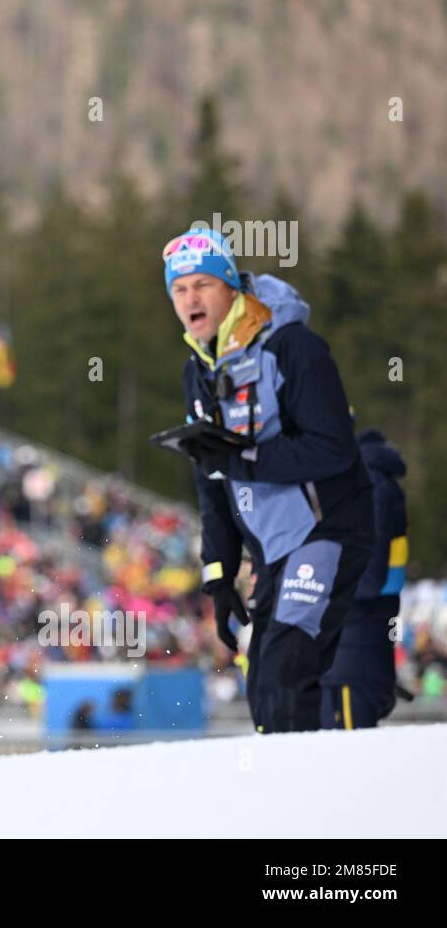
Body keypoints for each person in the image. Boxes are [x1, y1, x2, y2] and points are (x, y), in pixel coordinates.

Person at [161, 228, 373, 733]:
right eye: (179, 289)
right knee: (263, 690)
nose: (190, 298)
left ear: (232, 288)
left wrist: (242, 458)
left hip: (327, 528)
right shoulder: (198, 371)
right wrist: (219, 573)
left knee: (285, 675)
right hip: (274, 549)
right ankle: (301, 795)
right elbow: (213, 481)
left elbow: (333, 447)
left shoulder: (292, 346)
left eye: (202, 284)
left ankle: (304, 803)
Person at [320, 428, 409, 729]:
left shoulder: (371, 487)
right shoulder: (378, 484)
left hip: (354, 649)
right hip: (363, 643)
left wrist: (326, 592)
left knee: (346, 752)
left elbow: (370, 573)